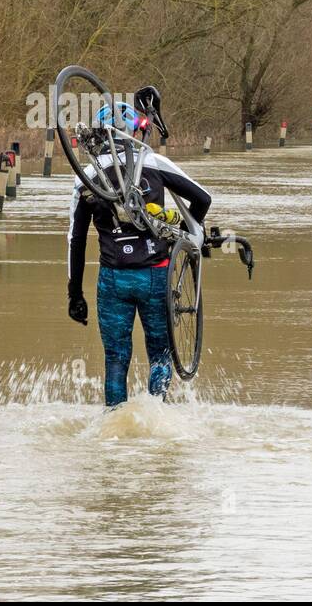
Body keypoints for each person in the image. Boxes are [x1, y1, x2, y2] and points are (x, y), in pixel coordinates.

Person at [66, 86, 211, 406]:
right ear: (134, 131)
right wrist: (188, 232)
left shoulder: (86, 175)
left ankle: (115, 426)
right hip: (156, 274)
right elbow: (202, 198)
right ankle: (155, 417)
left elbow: (75, 239)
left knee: (116, 359)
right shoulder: (154, 162)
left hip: (114, 278)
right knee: (160, 355)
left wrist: (74, 293)